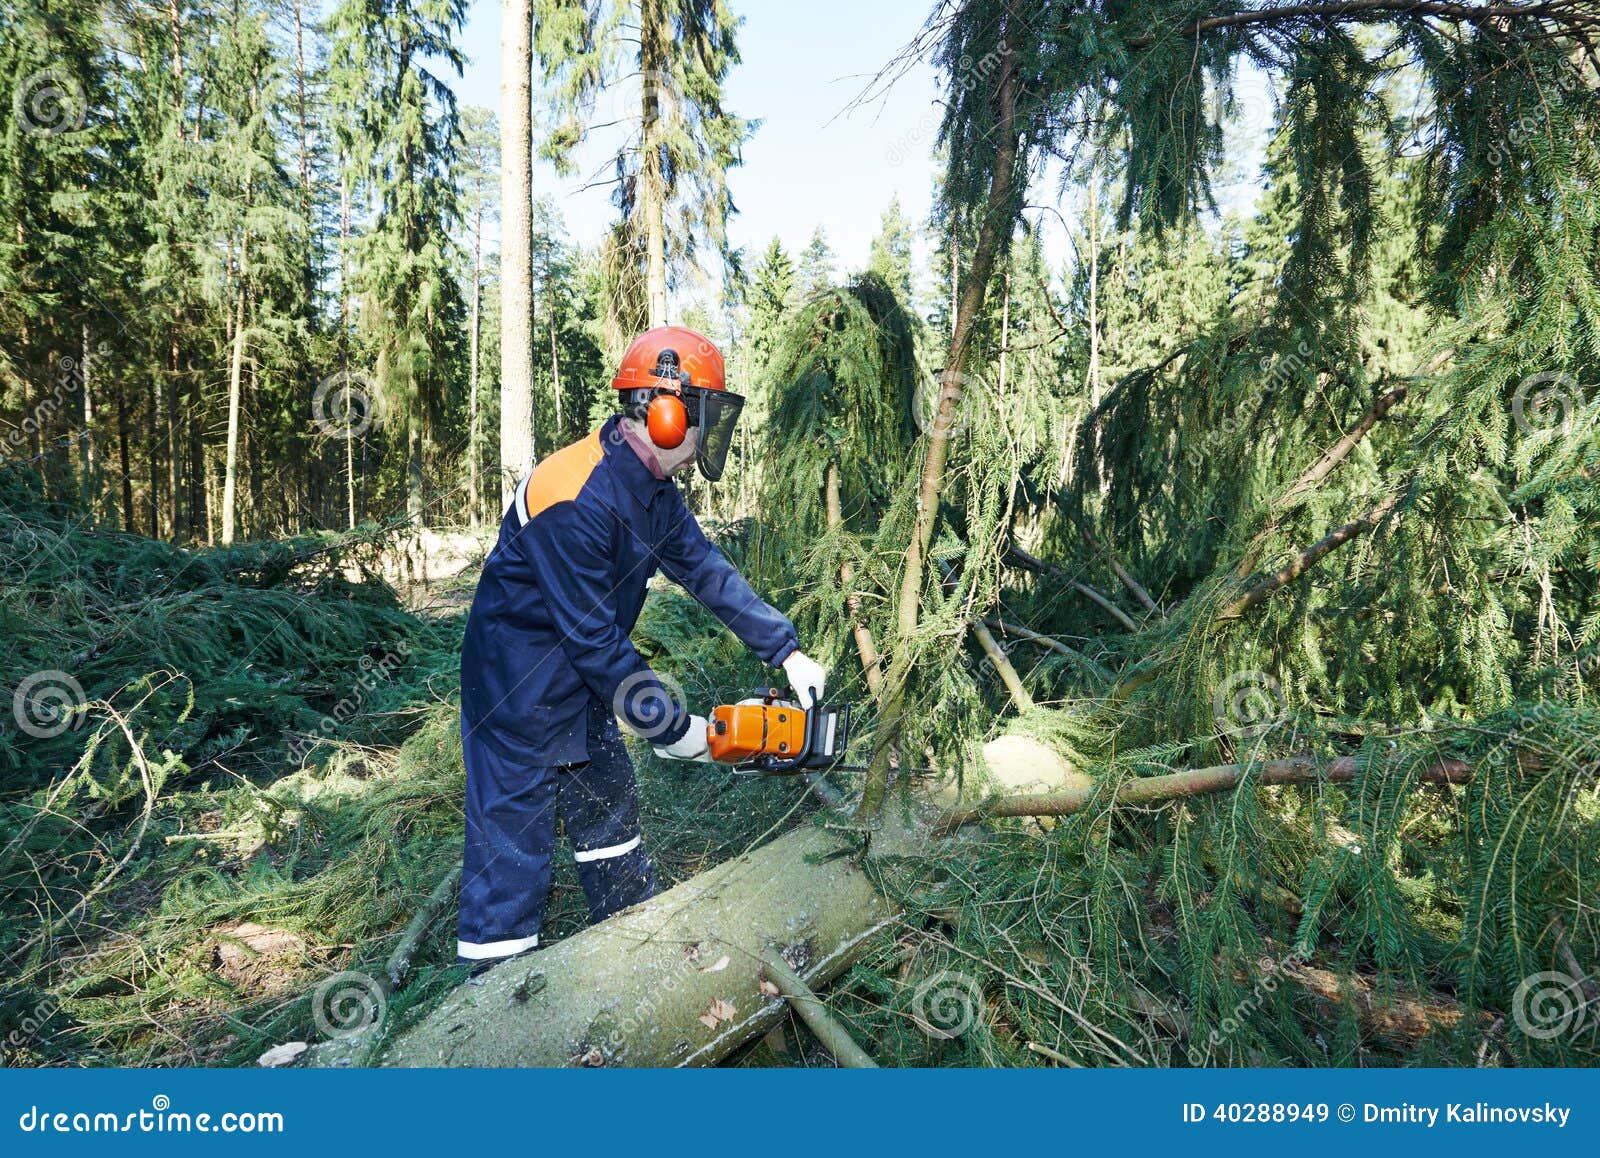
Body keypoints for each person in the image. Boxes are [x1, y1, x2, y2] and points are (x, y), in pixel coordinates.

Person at [455, 325, 827, 967]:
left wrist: (786, 652)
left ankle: (630, 953)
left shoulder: (653, 493)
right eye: (703, 417)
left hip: (580, 688)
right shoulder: (572, 494)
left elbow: (706, 570)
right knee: (513, 860)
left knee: (610, 816)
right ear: (664, 412)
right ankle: (492, 1010)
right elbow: (596, 641)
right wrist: (673, 727)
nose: (709, 434)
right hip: (514, 695)